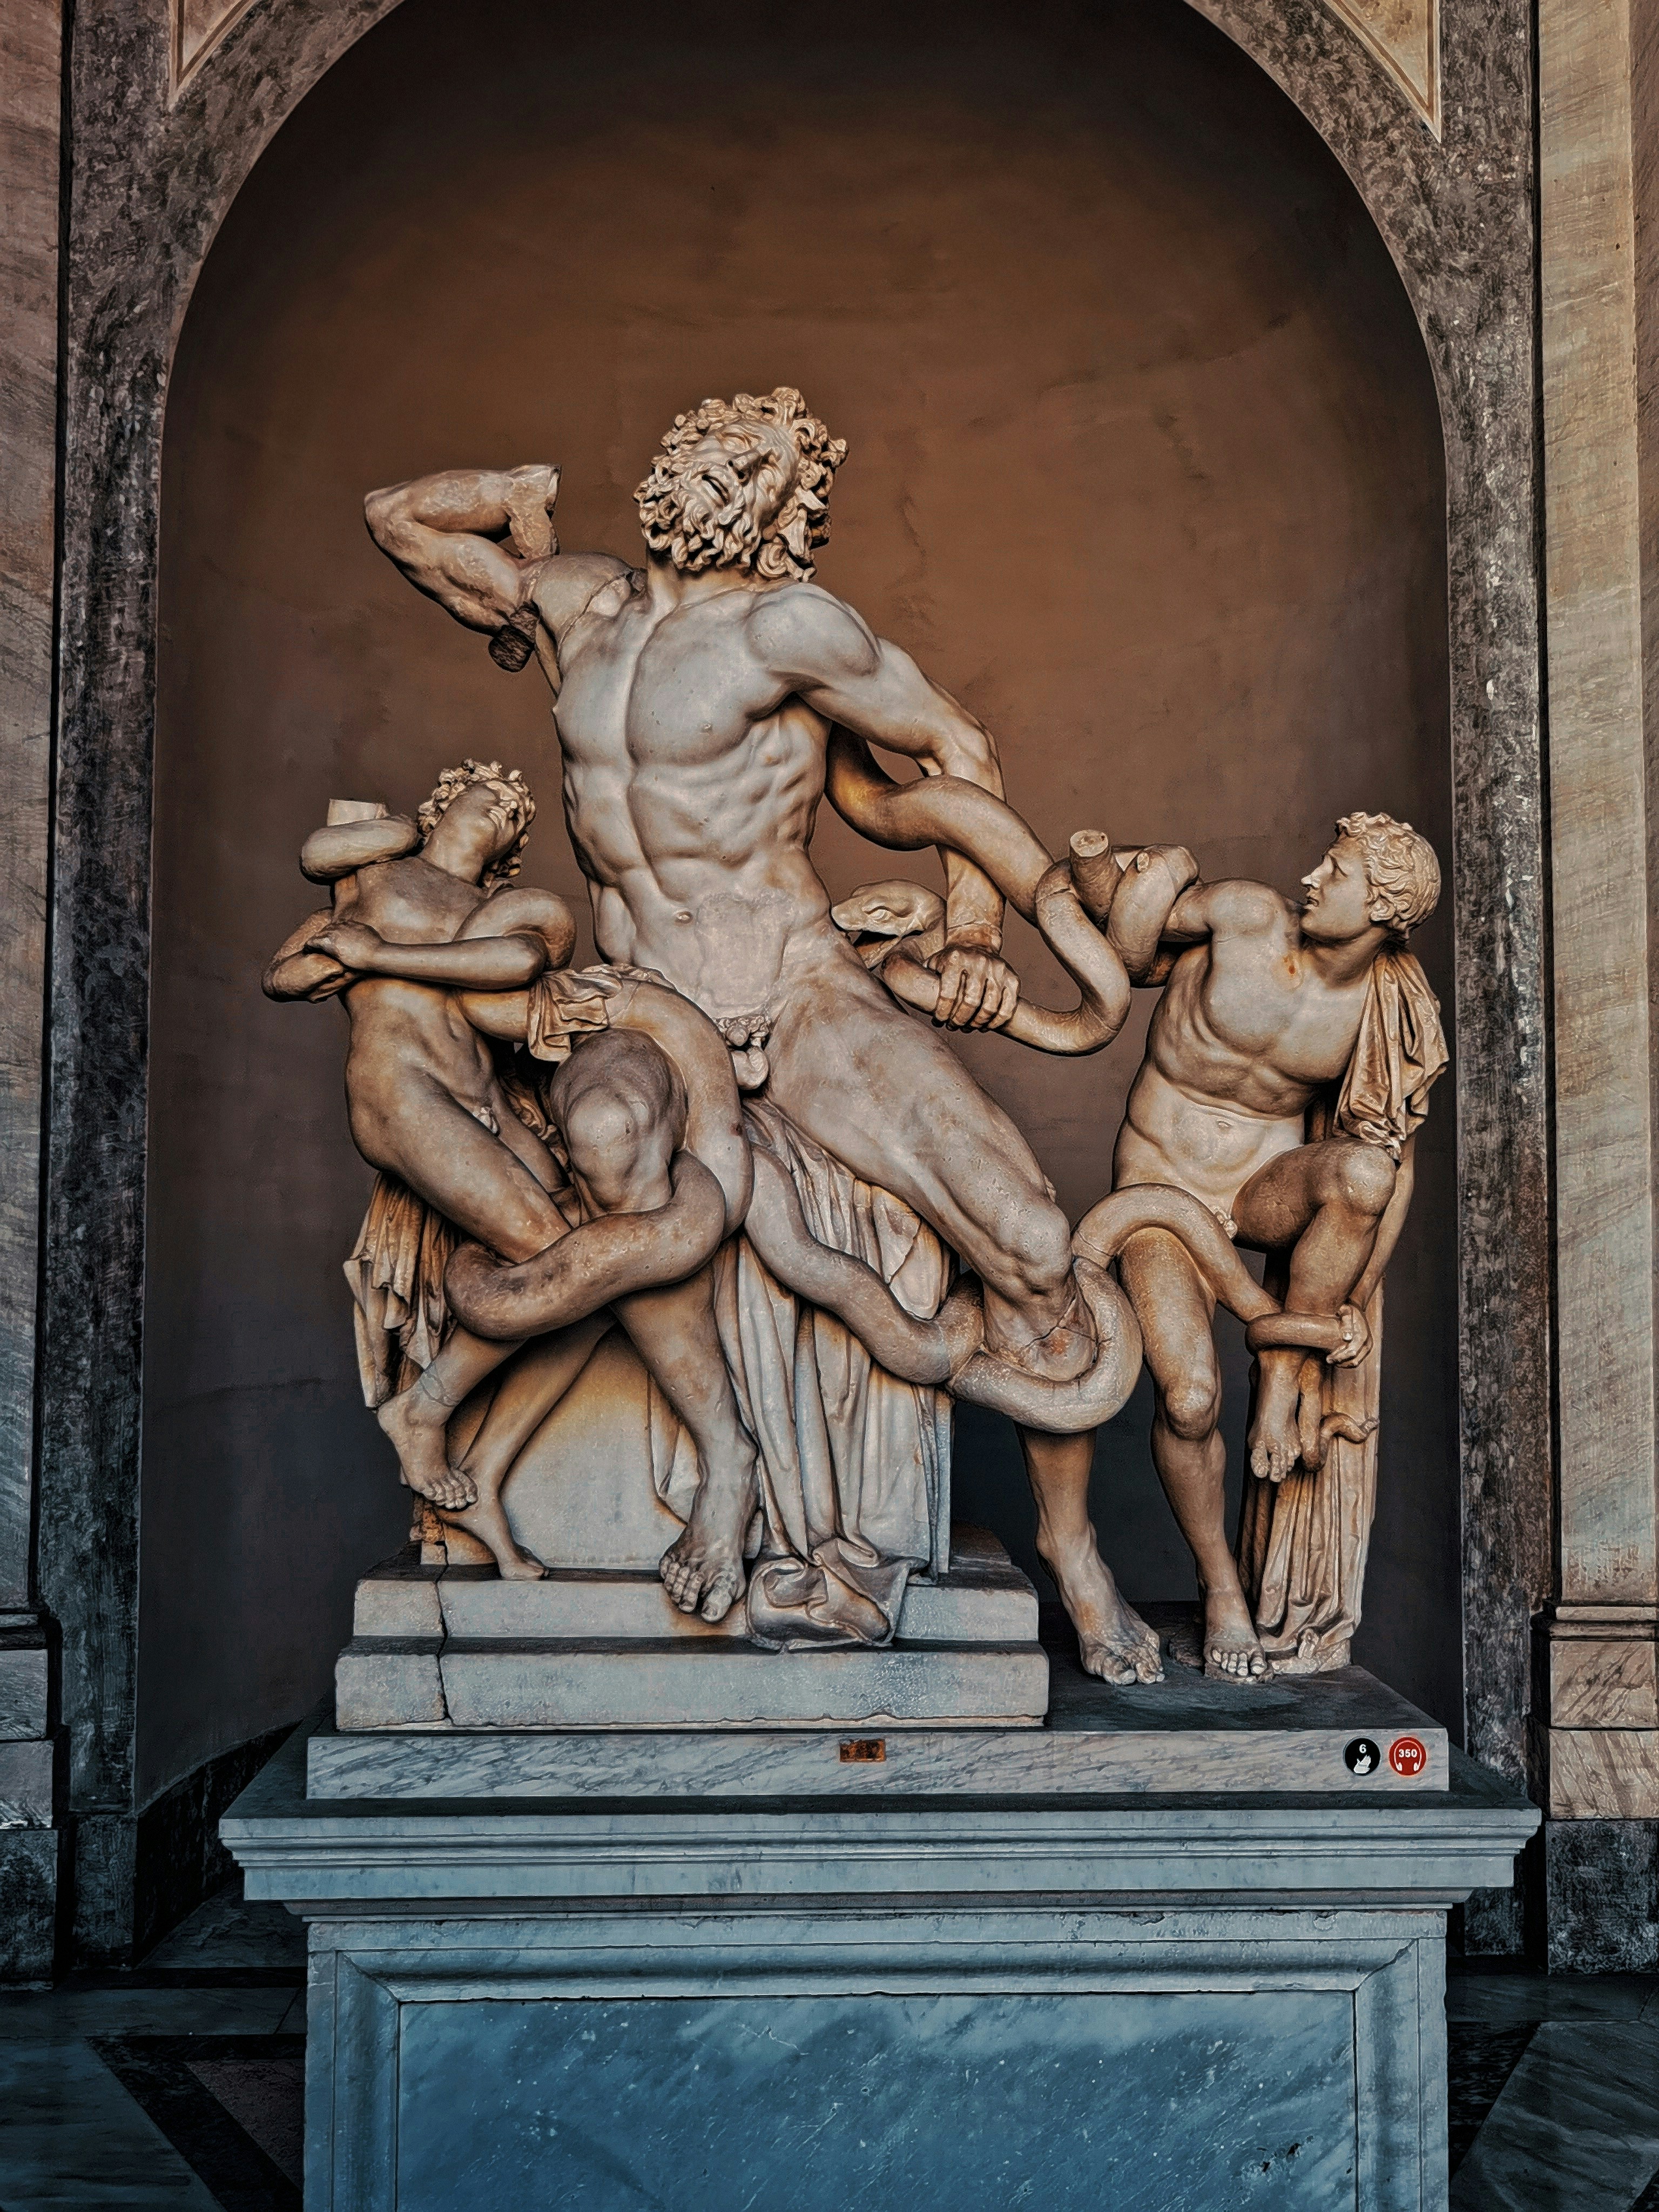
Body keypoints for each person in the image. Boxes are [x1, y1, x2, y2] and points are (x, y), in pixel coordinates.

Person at [361, 388, 1161, 1674]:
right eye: (716, 451)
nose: (727, 475)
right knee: (617, 1137)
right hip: (644, 1001)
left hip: (797, 989)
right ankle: (724, 1463)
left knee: (1025, 1230)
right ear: (677, 467)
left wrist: (965, 931)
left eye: (761, 465)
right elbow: (397, 520)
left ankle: (1073, 1547)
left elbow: (957, 745)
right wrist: (515, 486)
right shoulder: (580, 605)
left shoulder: (792, 626)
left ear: (788, 508)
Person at [265, 760, 759, 1606]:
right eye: (484, 796)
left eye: (512, 815)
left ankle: (485, 1467)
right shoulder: (374, 873)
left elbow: (517, 963)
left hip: (487, 1102)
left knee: (584, 1271)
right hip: (402, 1090)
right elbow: (286, 977)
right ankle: (423, 1410)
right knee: (556, 1257)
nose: (499, 811)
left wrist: (379, 956)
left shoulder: (501, 911)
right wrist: (334, 953)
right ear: (440, 799)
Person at [1105, 812, 1447, 1678]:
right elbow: (1120, 927)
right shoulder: (1245, 916)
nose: (1310, 880)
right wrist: (1143, 870)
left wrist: (1354, 1300)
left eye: (1333, 875)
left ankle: (1285, 1378)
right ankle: (1221, 1585)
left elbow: (1389, 1164)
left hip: (1260, 1194)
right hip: (1161, 1192)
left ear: (1380, 908)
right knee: (1187, 1398)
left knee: (1363, 1176)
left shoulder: (1383, 1006)